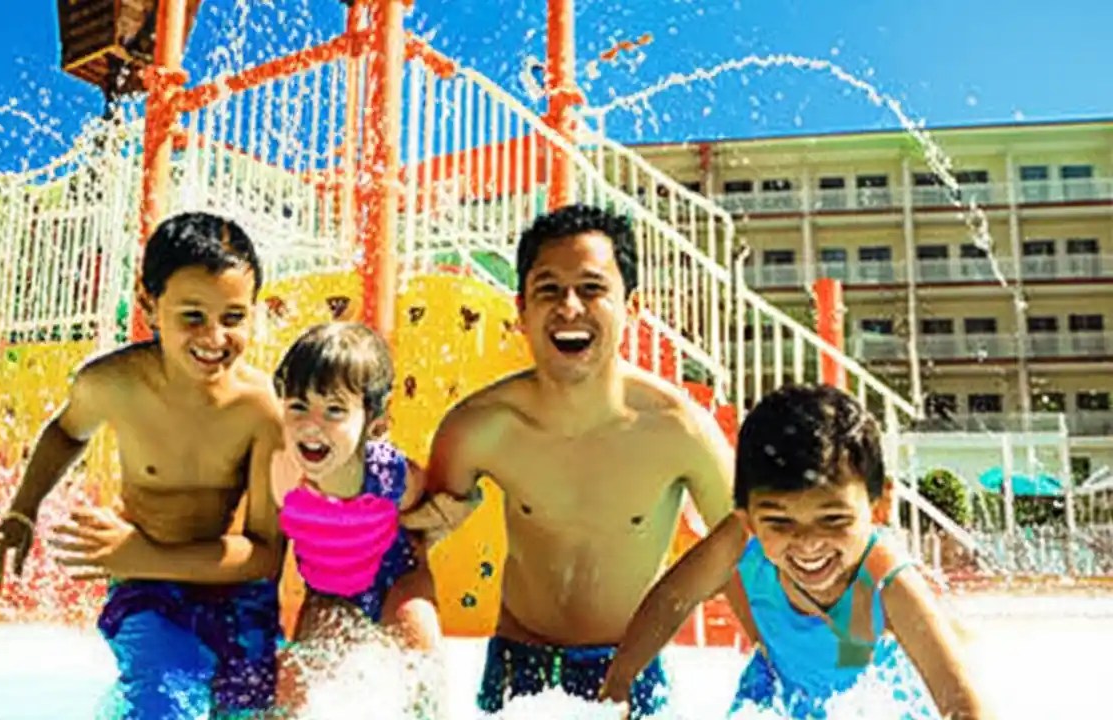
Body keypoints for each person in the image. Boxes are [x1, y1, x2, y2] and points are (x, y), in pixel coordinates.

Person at [410, 204, 736, 718]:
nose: (568, 307)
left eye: (591, 288)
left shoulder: (681, 430)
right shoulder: (479, 428)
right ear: (521, 311)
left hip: (630, 668)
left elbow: (745, 550)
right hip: (521, 666)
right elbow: (412, 546)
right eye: (548, 290)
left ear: (632, 306)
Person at [0, 211, 288, 719]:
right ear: (148, 305)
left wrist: (136, 553)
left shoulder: (261, 410)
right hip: (147, 591)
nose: (214, 337)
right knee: (161, 701)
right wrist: (21, 512)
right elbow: (64, 432)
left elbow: (266, 554)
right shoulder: (112, 385)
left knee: (249, 711)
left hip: (236, 593)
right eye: (192, 316)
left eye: (233, 317)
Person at [600, 384, 990, 719]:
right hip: (777, 699)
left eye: (833, 519)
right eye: (780, 522)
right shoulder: (740, 542)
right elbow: (672, 598)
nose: (808, 543)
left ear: (879, 505)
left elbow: (962, 704)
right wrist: (618, 684)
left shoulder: (887, 584)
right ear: (748, 517)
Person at [271, 322, 469, 714]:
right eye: (298, 406)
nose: (312, 424)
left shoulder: (386, 474)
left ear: (374, 424)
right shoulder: (282, 474)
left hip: (399, 575)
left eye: (334, 410)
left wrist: (430, 526)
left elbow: (425, 497)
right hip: (328, 589)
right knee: (296, 684)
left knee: (420, 653)